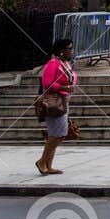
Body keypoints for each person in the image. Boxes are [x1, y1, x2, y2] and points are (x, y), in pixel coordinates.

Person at [36, 37, 78, 176]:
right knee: (59, 134)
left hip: (63, 101)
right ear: (61, 51)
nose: (72, 51)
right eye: (69, 48)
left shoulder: (64, 63)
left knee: (56, 134)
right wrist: (65, 87)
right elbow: (47, 84)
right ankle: (42, 161)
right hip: (53, 102)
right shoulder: (53, 63)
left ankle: (48, 165)